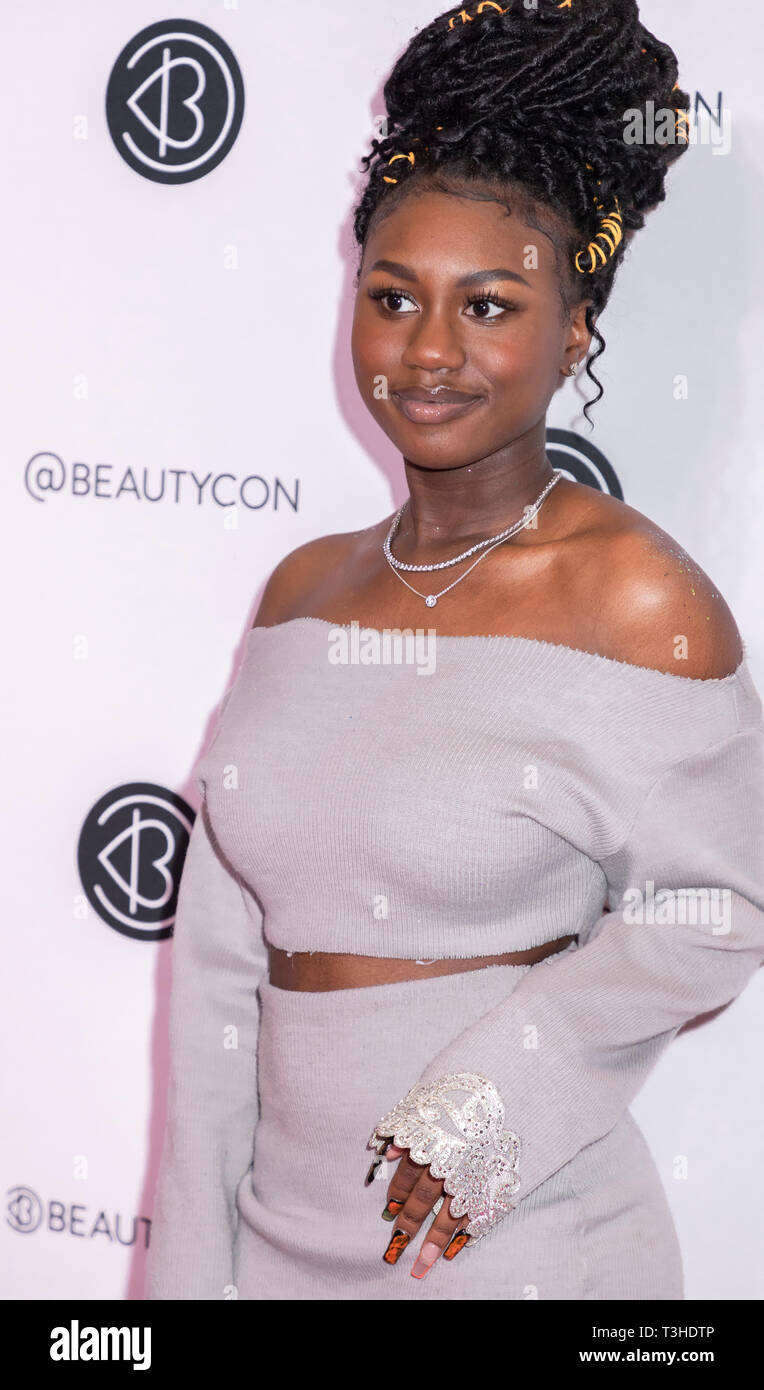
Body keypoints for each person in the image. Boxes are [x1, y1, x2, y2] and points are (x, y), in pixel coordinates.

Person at [144, 0, 764, 1301]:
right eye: (392, 299)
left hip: (521, 1245)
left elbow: (720, 908)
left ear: (572, 331)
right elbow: (213, 966)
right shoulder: (297, 596)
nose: (428, 351)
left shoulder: (637, 599)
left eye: (487, 305)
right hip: (278, 1243)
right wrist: (184, 1280)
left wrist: (497, 1098)